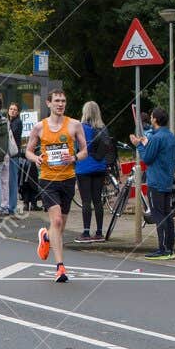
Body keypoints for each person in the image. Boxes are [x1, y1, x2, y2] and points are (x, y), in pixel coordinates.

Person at [26, 88, 87, 283]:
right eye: (57, 101)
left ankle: (46, 238)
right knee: (58, 221)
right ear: (49, 103)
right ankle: (60, 268)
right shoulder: (39, 127)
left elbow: (85, 150)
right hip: (47, 179)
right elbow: (27, 151)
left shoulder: (74, 125)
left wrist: (74, 157)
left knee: (59, 228)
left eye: (63, 101)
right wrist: (36, 158)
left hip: (68, 179)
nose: (60, 104)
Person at [131, 107, 175, 260]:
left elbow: (147, 159)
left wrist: (138, 144)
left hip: (156, 180)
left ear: (155, 120)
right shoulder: (171, 136)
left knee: (158, 214)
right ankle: (170, 248)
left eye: (151, 117)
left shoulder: (157, 138)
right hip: (167, 179)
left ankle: (163, 249)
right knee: (167, 213)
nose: (150, 119)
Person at [74, 100, 114, 242]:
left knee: (86, 201)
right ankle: (99, 232)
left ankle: (85, 233)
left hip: (84, 166)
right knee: (98, 200)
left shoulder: (81, 128)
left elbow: (76, 148)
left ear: (85, 112)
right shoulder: (103, 128)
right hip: (99, 167)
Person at [5, 101, 24, 212]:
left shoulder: (17, 122)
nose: (12, 111)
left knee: (12, 181)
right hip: (8, 154)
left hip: (14, 154)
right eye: (11, 109)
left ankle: (12, 207)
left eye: (15, 109)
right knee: (7, 181)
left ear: (18, 112)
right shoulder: (8, 121)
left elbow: (12, 134)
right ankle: (8, 205)